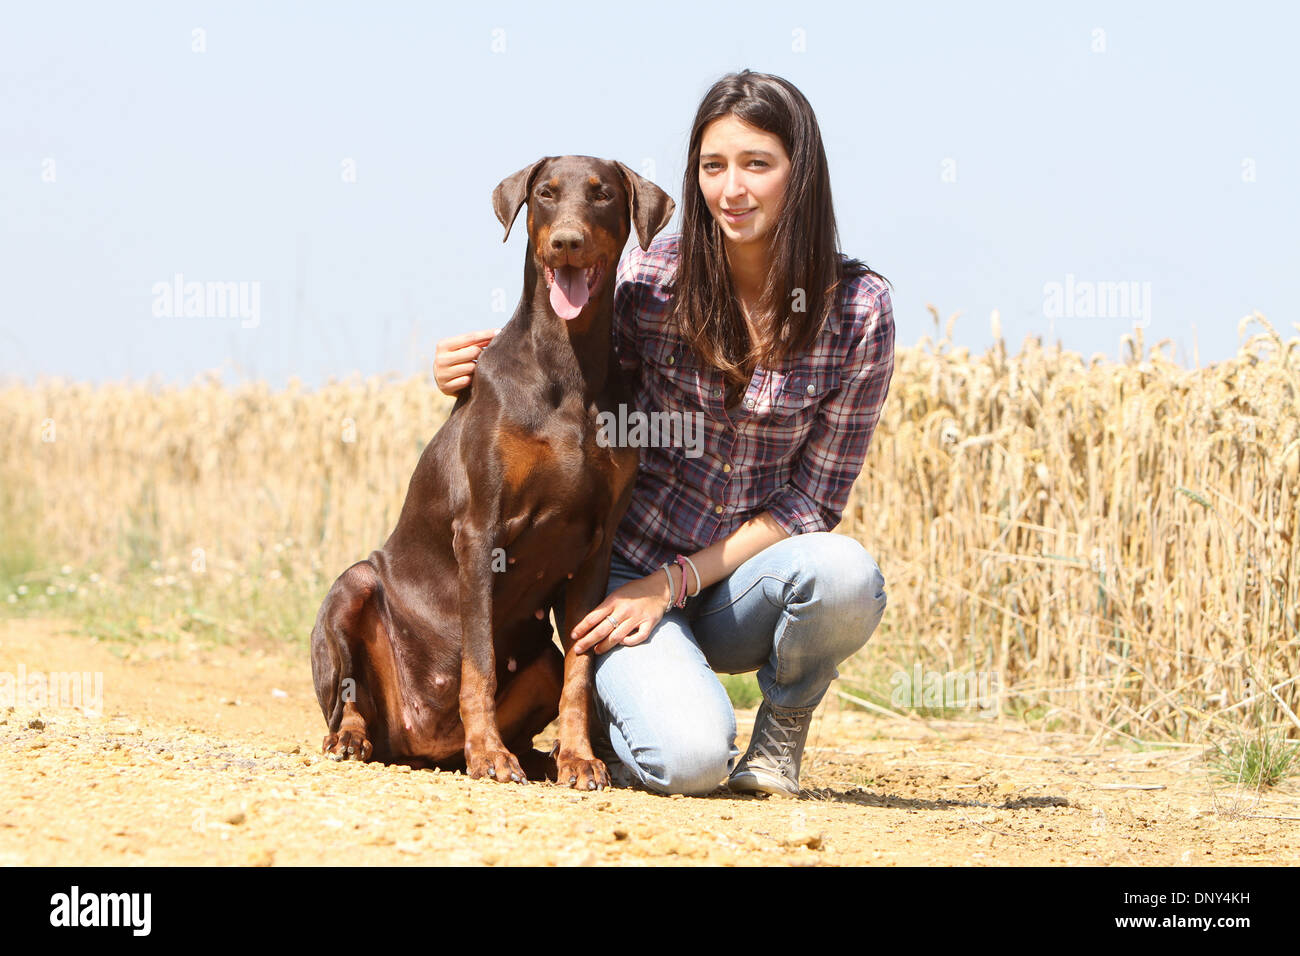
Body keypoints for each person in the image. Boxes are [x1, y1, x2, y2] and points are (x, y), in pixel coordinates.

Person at [434, 70, 894, 797]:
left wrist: (674, 582)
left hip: (736, 586)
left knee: (845, 575)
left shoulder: (858, 310)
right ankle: (631, 717)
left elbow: (813, 501)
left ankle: (779, 741)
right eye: (714, 167)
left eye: (758, 164)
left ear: (800, 173)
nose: (732, 188)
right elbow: (561, 375)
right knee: (689, 764)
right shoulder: (651, 279)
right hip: (623, 586)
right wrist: (474, 368)